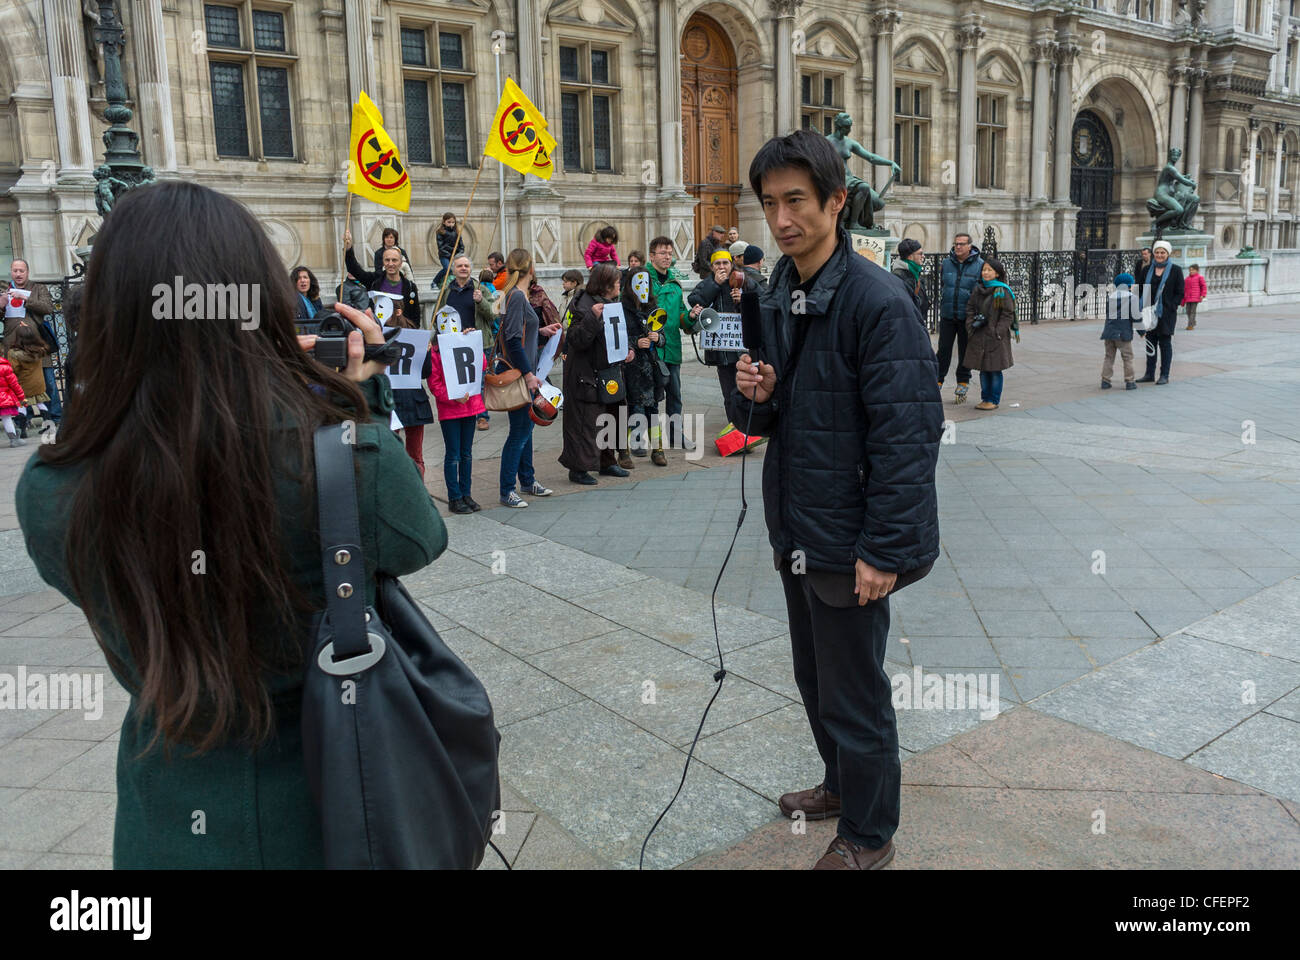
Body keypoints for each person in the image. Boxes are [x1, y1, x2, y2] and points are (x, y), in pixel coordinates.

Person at [15, 180, 446, 869]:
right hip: (327, 813)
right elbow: (421, 537)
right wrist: (355, 395)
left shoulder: (49, 487)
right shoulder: (337, 457)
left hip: (164, 819)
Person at [730, 129, 940, 871]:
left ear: (836, 202)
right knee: (814, 676)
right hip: (797, 525)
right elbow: (769, 418)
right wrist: (755, 391)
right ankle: (839, 785)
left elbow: (909, 436)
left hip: (851, 538)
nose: (782, 219)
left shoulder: (877, 302)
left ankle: (870, 835)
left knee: (855, 691)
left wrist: (884, 549)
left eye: (796, 200)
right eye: (769, 204)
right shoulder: (780, 291)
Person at [343, 229, 432, 475]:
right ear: (383, 262)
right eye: (387, 260)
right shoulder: (374, 280)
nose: (391, 264)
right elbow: (356, 269)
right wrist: (349, 248)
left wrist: (419, 340)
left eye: (395, 260)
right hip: (380, 341)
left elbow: (414, 319)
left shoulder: (410, 286)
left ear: (401, 262)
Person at [558, 263, 634, 484]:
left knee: (613, 416)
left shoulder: (612, 302)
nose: (620, 285)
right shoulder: (581, 304)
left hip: (609, 372)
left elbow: (618, 333)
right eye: (617, 281)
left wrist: (628, 349)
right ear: (606, 284)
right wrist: (592, 317)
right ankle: (578, 468)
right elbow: (576, 339)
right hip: (586, 375)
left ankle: (607, 462)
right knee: (586, 423)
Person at [495, 248, 558, 507]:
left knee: (527, 429)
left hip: (525, 371)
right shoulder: (518, 296)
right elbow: (511, 339)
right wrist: (529, 375)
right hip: (522, 373)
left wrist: (541, 330)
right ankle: (507, 489)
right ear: (530, 268)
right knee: (520, 432)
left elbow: (520, 332)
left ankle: (528, 479)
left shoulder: (514, 295)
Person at [428, 314, 487, 514]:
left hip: (469, 406)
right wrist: (453, 397)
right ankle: (454, 497)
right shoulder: (435, 352)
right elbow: (434, 385)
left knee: (467, 454)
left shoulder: (464, 342)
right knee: (453, 454)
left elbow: (481, 365)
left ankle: (466, 493)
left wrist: (472, 342)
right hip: (450, 410)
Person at [688, 247, 757, 419]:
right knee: (729, 394)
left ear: (732, 264)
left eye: (725, 263)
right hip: (721, 352)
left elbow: (760, 302)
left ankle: (747, 430)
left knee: (747, 392)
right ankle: (734, 428)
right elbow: (695, 300)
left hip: (742, 348)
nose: (722, 267)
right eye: (717, 264)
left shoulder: (744, 281)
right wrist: (715, 285)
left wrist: (743, 302)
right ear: (712, 267)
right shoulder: (707, 283)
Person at [647, 235, 694, 450]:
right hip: (650, 349)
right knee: (651, 396)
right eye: (662, 253)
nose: (667, 257)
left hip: (672, 347)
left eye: (669, 253)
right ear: (652, 256)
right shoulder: (642, 281)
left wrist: (691, 317)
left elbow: (681, 315)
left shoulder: (675, 284)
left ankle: (675, 435)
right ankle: (650, 439)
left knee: (675, 395)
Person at [2, 259, 60, 427]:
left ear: (27, 272)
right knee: (16, 382)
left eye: (21, 270)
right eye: (15, 271)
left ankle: (55, 417)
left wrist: (26, 299)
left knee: (47, 381)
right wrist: (1, 305)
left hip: (36, 343)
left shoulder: (38, 288)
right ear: (11, 272)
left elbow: (48, 308)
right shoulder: (4, 288)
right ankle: (23, 420)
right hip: (13, 345)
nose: (18, 274)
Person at [621, 268, 663, 463]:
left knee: (653, 407)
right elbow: (617, 337)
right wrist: (635, 342)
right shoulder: (622, 308)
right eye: (639, 283)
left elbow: (663, 336)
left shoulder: (652, 308)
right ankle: (627, 451)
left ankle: (658, 449)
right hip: (631, 367)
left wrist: (658, 338)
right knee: (633, 407)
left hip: (650, 366)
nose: (643, 288)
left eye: (646, 283)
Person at [963, 256, 1016, 411]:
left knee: (994, 369)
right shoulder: (978, 289)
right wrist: (971, 325)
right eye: (984, 270)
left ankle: (993, 399)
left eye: (989, 270)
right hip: (979, 334)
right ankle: (985, 398)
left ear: (997, 273)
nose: (985, 273)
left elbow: (1007, 314)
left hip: (995, 336)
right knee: (983, 368)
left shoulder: (1002, 291)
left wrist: (997, 331)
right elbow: (970, 308)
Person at [936, 232, 983, 403]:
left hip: (967, 316)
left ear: (970, 246)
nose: (958, 247)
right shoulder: (947, 263)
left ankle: (963, 381)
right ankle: (937, 379)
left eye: (962, 244)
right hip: (948, 313)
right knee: (943, 349)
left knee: (965, 350)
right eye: (956, 244)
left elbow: (981, 291)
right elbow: (943, 284)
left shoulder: (979, 265)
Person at [1136, 240, 1183, 385]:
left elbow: (1180, 291)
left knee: (1165, 343)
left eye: (1163, 252)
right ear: (1153, 253)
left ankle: (1164, 374)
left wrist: (1172, 306)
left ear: (1168, 254)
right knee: (1150, 343)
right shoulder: (1147, 270)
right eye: (1157, 252)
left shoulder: (1175, 270)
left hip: (1166, 313)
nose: (1159, 255)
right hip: (1149, 312)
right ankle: (1149, 373)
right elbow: (1141, 290)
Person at [7, 321, 51, 432]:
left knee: (22, 406)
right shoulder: (39, 350)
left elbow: (14, 369)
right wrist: (29, 330)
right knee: (40, 403)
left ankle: (23, 431)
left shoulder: (13, 353)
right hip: (38, 384)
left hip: (24, 385)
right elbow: (38, 342)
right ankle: (48, 425)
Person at [1101, 272, 1140, 391]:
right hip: (1123, 333)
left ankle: (1105, 381)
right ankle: (1130, 381)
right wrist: (1142, 331)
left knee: (1109, 357)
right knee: (1127, 357)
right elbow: (1136, 316)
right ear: (1129, 286)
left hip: (1109, 332)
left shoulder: (1111, 297)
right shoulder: (1131, 298)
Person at [891, 238, 930, 320]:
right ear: (910, 257)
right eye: (920, 253)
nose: (923, 256)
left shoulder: (914, 271)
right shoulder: (899, 276)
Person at [433, 212, 464, 287]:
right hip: (444, 255)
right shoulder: (440, 232)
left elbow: (461, 246)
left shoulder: (457, 232)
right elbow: (441, 247)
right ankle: (435, 281)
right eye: (449, 222)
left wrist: (458, 254)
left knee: (456, 270)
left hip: (455, 256)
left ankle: (453, 283)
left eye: (453, 222)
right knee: (447, 269)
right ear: (444, 222)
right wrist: (450, 254)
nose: (451, 224)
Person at [0, 353, 25, 446]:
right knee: (6, 418)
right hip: (3, 398)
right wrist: (21, 396)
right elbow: (14, 384)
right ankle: (14, 439)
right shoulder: (4, 367)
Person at [1183, 263, 1206, 330]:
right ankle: (1193, 321)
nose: (1191, 271)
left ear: (1197, 270)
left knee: (1192, 311)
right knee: (1188, 311)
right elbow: (1184, 288)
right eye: (1190, 270)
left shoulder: (1199, 278)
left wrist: (1202, 295)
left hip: (1195, 298)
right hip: (1188, 298)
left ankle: (1190, 325)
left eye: (1193, 270)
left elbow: (1203, 287)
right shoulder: (1187, 279)